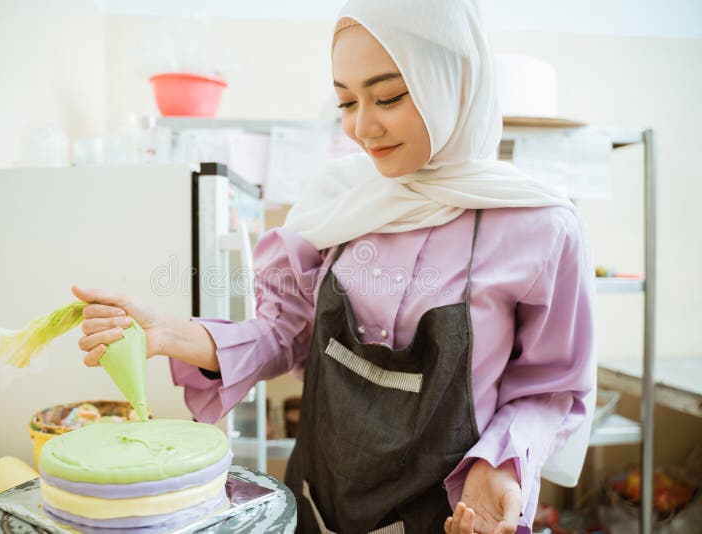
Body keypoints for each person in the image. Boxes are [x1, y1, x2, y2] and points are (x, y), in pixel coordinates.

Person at [71, 0, 595, 532]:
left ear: (453, 83)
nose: (362, 127)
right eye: (346, 102)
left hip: (452, 513)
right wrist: (168, 334)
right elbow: (283, 335)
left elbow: (549, 390)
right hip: (319, 503)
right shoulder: (338, 201)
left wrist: (497, 468)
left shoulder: (540, 228)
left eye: (387, 96)